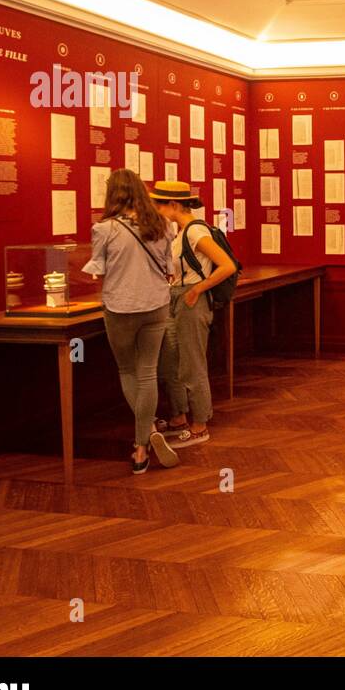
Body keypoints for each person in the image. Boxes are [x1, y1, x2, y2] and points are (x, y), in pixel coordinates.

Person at [83, 169, 179, 474]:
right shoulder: (163, 224)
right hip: (156, 305)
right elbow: (170, 267)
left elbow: (96, 269)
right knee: (148, 372)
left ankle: (144, 438)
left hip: (121, 306)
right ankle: (142, 445)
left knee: (127, 369)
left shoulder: (105, 229)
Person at [149, 181, 237, 448]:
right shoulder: (181, 232)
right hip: (178, 297)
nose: (156, 209)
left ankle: (200, 424)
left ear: (173, 205)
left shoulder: (195, 231)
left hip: (191, 299)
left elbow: (227, 266)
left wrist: (197, 289)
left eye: (159, 204)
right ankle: (179, 418)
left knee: (191, 363)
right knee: (171, 361)